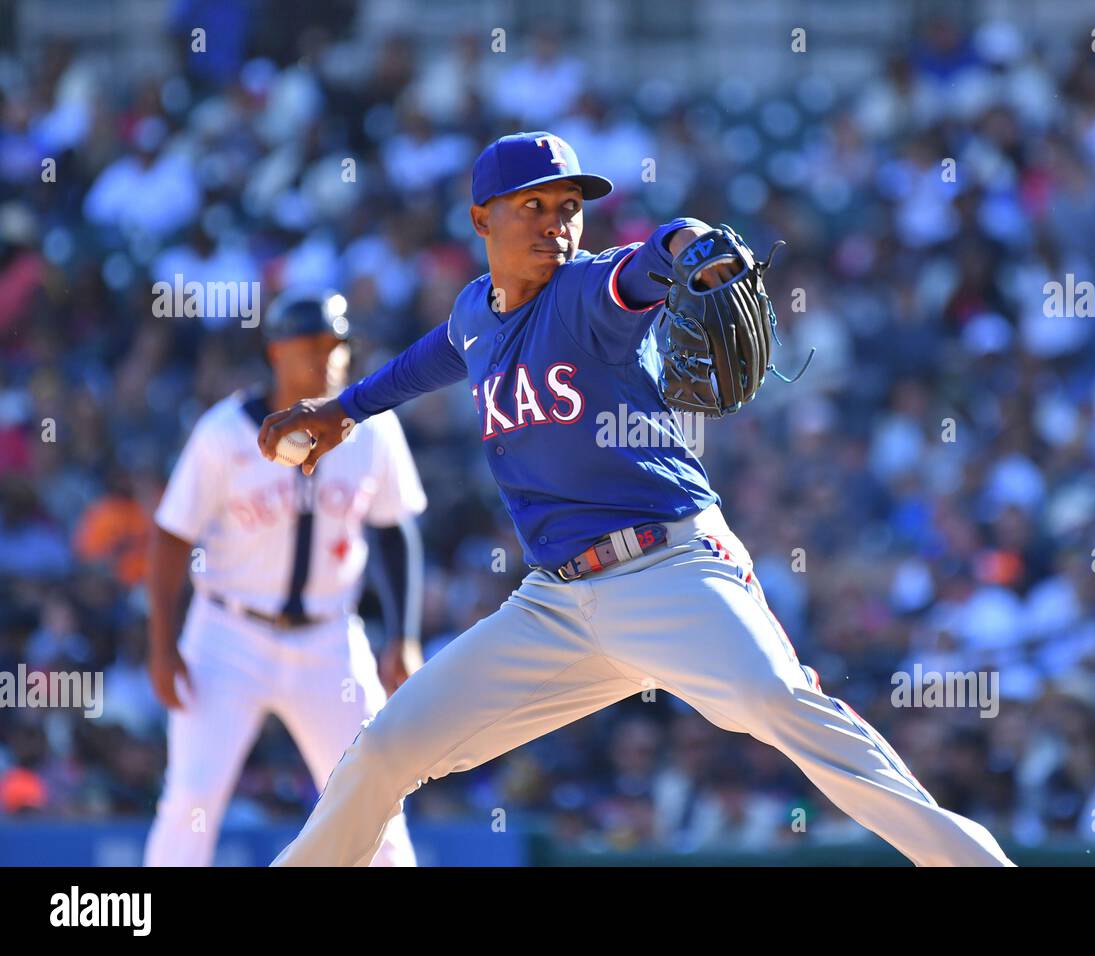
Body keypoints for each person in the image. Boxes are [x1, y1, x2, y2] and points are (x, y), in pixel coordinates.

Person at [259, 132, 1016, 866]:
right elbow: (437, 355)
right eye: (535, 206)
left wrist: (689, 245)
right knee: (385, 750)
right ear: (481, 219)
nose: (556, 223)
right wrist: (346, 409)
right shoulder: (472, 313)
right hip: (554, 607)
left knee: (783, 705)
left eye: (569, 208)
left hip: (672, 572)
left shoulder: (589, 290)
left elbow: (653, 258)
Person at [145, 290, 424, 866]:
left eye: (335, 344)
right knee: (192, 795)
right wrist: (161, 645)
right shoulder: (225, 432)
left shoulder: (372, 430)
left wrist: (403, 636)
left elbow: (394, 530)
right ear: (275, 352)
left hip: (329, 639)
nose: (325, 358)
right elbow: (172, 537)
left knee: (375, 790)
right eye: (309, 346)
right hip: (227, 635)